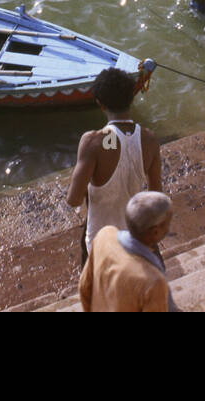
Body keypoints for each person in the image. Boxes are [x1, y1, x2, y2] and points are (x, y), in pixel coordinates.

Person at [67, 68, 162, 266]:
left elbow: (74, 199)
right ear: (132, 99)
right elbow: (156, 197)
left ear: (100, 104)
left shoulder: (93, 141)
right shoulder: (150, 139)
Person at [79, 191, 175, 312]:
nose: (169, 228)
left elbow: (84, 287)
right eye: (167, 224)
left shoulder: (105, 235)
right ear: (155, 231)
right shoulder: (153, 282)